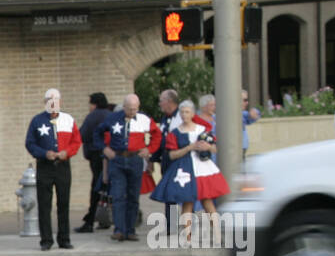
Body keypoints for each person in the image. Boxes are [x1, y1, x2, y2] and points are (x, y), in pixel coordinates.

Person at [150, 99, 229, 243]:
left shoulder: (202, 129)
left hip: (202, 167)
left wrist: (208, 147)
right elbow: (172, 154)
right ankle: (187, 237)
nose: (184, 115)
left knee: (207, 201)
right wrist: (189, 148)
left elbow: (215, 148)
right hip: (184, 168)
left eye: (187, 112)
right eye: (182, 112)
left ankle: (218, 235)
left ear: (193, 113)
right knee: (187, 202)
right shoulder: (175, 133)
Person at [25, 89, 81, 250]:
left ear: (60, 102)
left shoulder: (68, 120)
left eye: (55, 100)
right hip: (45, 166)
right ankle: (46, 240)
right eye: (49, 100)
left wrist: (67, 153)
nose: (53, 103)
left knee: (63, 203)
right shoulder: (37, 121)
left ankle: (64, 238)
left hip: (62, 165)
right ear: (45, 102)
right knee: (44, 204)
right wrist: (44, 153)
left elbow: (76, 142)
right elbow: (30, 143)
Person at [101, 93, 161, 242]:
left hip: (135, 159)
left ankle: (131, 229)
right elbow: (97, 133)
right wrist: (104, 149)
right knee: (118, 195)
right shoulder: (113, 118)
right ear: (124, 107)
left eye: (134, 109)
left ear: (138, 107)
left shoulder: (144, 120)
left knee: (133, 196)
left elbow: (157, 135)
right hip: (118, 159)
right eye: (129, 109)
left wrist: (149, 149)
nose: (132, 112)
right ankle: (119, 230)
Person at [77, 92, 113, 233]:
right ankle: (104, 219)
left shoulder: (93, 117)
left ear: (95, 104)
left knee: (96, 188)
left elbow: (82, 135)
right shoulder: (110, 115)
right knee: (106, 188)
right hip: (110, 156)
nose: (89, 107)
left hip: (97, 156)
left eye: (90, 104)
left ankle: (90, 221)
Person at [241, 90, 261, 160]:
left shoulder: (242, 114)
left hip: (241, 150)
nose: (247, 103)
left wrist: (255, 112)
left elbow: (253, 116)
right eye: (245, 100)